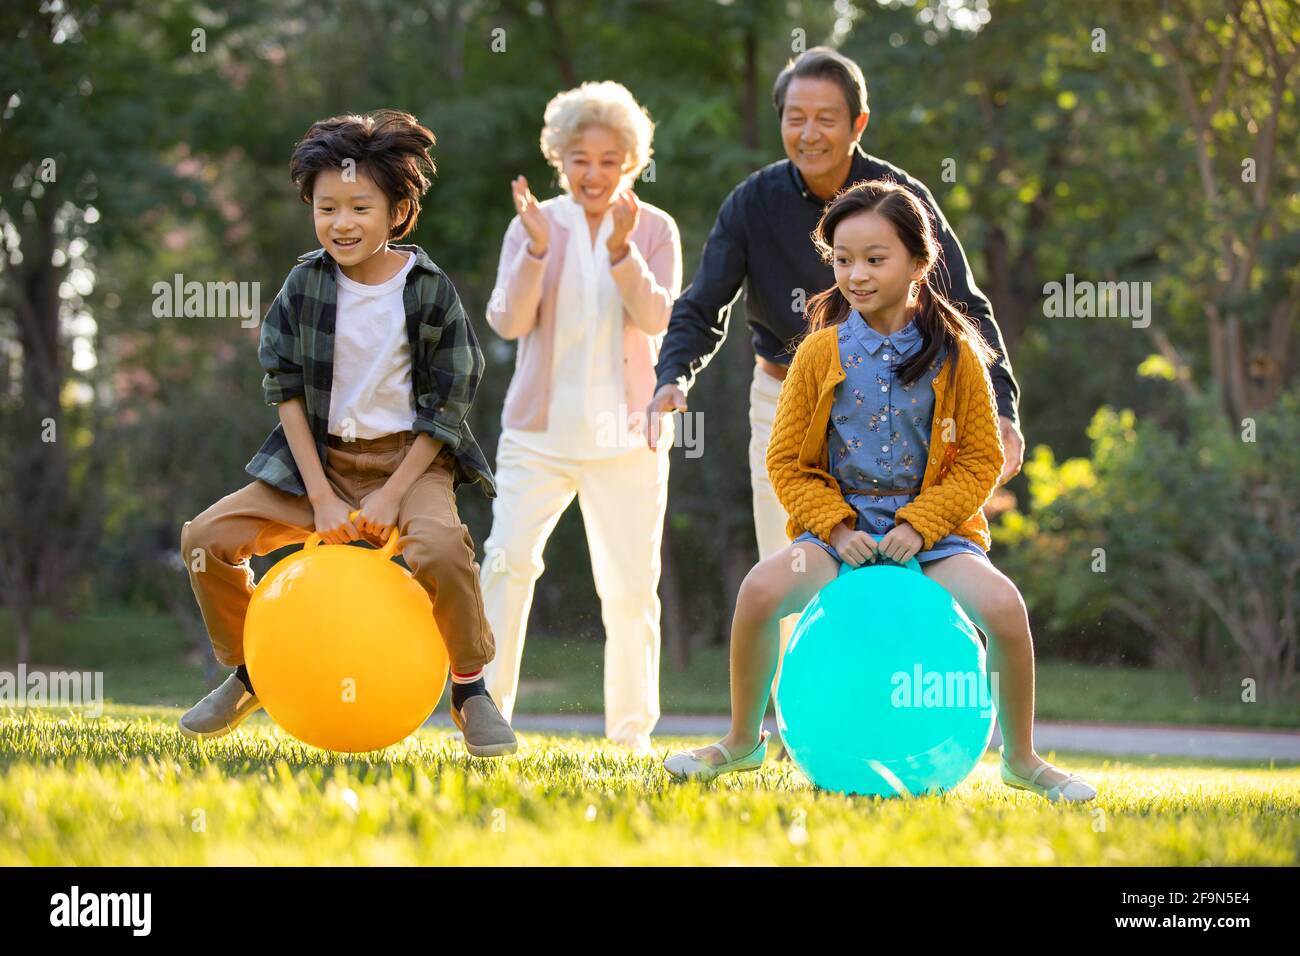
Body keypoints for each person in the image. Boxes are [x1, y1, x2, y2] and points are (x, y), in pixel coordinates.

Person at [663, 180, 1097, 803]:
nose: (856, 274)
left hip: (936, 538)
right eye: (842, 260)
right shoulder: (818, 353)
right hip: (840, 535)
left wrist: (919, 527)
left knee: (1004, 610)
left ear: (919, 262)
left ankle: (1022, 758)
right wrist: (838, 530)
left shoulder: (958, 355)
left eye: (875, 258)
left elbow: (981, 460)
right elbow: (786, 462)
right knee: (760, 591)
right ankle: (740, 742)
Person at [644, 48, 1025, 753]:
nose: (809, 132)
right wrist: (675, 375)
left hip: (912, 407)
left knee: (915, 581)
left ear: (858, 123)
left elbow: (965, 306)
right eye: (795, 118)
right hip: (789, 397)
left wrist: (1002, 409)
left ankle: (884, 718)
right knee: (790, 565)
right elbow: (703, 303)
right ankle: (788, 729)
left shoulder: (899, 200)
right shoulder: (754, 201)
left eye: (826, 118)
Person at [178, 110, 517, 757]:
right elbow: (286, 395)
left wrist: (392, 494)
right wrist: (324, 497)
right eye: (326, 207)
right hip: (320, 464)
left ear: (397, 211)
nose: (341, 222)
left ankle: (471, 690)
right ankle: (252, 668)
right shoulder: (304, 287)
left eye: (359, 206)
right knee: (205, 539)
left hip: (411, 463)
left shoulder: (429, 291)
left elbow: (448, 405)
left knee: (443, 551)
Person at [480, 82, 682, 755]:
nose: (593, 173)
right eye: (579, 158)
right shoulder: (532, 224)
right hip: (538, 437)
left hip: (627, 440)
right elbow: (507, 321)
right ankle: (486, 721)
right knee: (505, 566)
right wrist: (536, 251)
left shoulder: (654, 229)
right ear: (558, 158)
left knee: (630, 591)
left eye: (609, 159)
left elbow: (659, 320)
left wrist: (623, 252)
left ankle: (630, 739)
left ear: (631, 161)